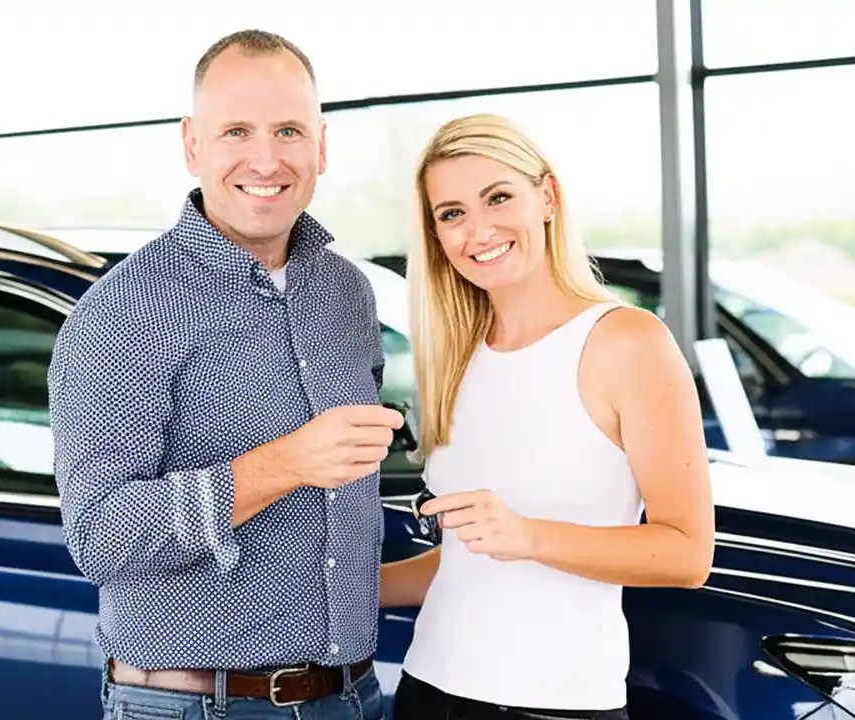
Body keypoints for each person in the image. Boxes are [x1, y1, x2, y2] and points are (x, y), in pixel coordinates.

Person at [48, 29, 402, 720]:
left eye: (289, 131)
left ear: (321, 146)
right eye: (237, 130)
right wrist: (285, 463)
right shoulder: (122, 313)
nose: (265, 159)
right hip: (196, 707)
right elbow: (99, 539)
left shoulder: (348, 295)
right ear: (192, 145)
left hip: (352, 698)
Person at [379, 114, 716, 719]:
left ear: (548, 197)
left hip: (552, 705)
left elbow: (687, 554)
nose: (477, 229)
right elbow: (468, 560)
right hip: (429, 691)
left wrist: (530, 535)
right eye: (451, 213)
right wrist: (344, 592)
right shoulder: (460, 352)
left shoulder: (627, 342)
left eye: (498, 197)